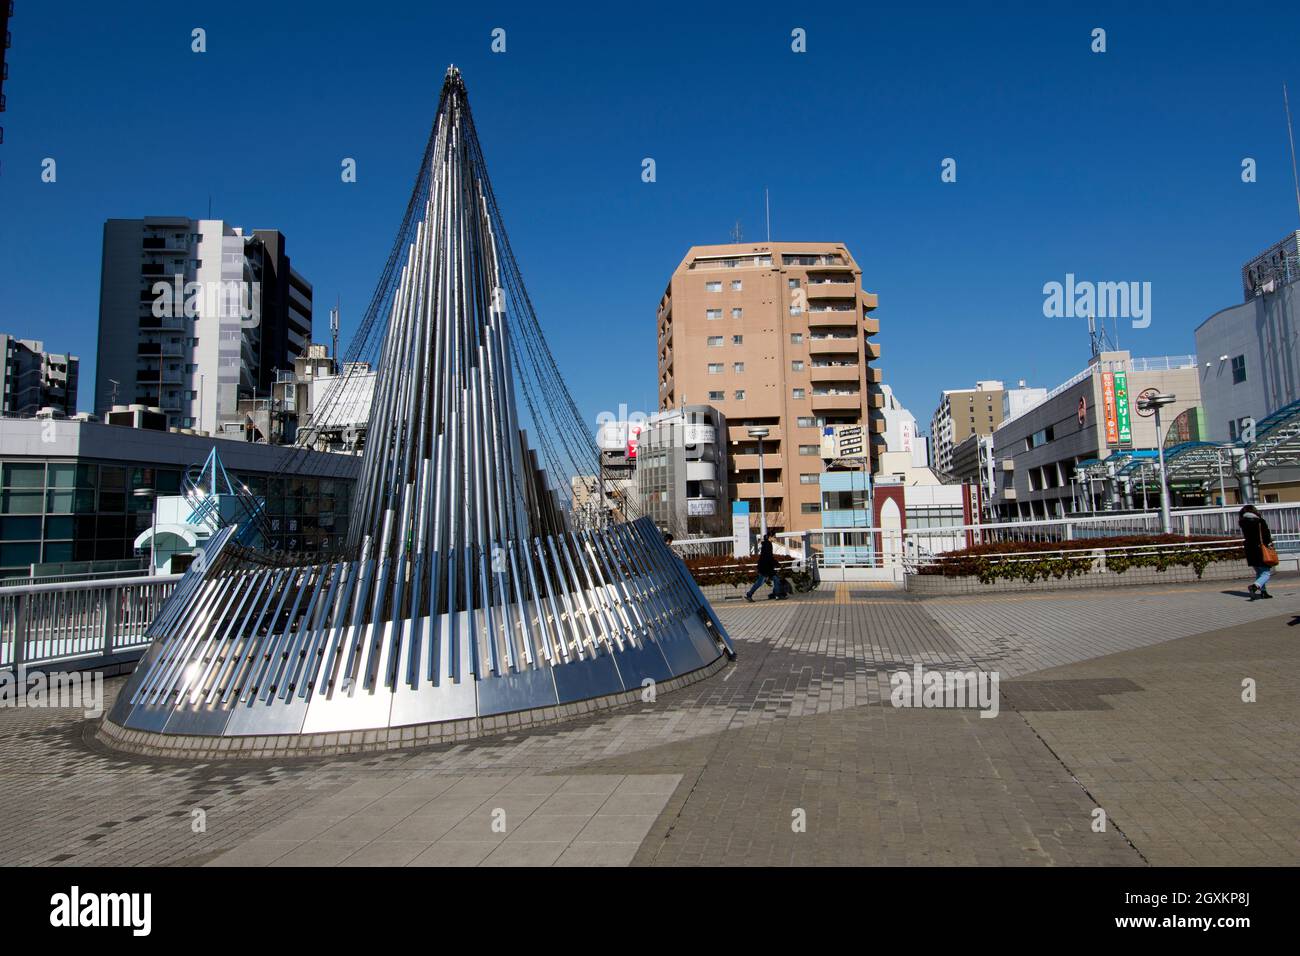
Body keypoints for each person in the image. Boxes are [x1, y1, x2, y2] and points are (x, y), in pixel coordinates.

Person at [1239, 505, 1275, 600]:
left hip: (1249, 549)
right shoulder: (1260, 521)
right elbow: (1266, 536)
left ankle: (1263, 592)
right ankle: (1254, 586)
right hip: (1260, 549)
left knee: (1259, 572)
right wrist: (1270, 542)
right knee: (1266, 573)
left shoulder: (1243, 522)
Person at [745, 531, 787, 601]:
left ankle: (777, 595)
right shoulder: (768, 545)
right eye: (774, 537)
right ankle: (749, 594)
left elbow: (768, 557)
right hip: (766, 568)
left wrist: (775, 563)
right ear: (770, 537)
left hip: (765, 567)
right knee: (760, 582)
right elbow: (769, 557)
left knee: (776, 579)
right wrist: (776, 563)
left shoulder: (765, 544)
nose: (775, 538)